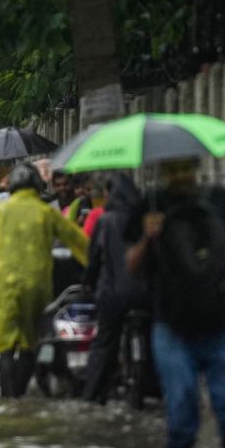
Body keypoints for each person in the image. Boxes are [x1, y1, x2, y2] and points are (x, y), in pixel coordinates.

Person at [124, 157, 225, 448]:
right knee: (181, 415)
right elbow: (131, 266)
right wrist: (146, 238)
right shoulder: (149, 205)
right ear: (163, 171)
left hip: (223, 326)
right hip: (172, 329)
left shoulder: (220, 200)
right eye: (174, 169)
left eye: (186, 168)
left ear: (197, 168)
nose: (181, 175)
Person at [0, 163, 88, 398]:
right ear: (38, 187)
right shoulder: (45, 211)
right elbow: (77, 241)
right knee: (29, 343)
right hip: (36, 285)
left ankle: (8, 401)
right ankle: (19, 398)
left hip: (3, 286)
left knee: (5, 347)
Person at [80, 173, 144, 403]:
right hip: (143, 295)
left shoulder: (105, 221)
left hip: (112, 295)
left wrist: (87, 283)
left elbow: (93, 260)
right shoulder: (144, 219)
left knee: (104, 343)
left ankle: (91, 396)